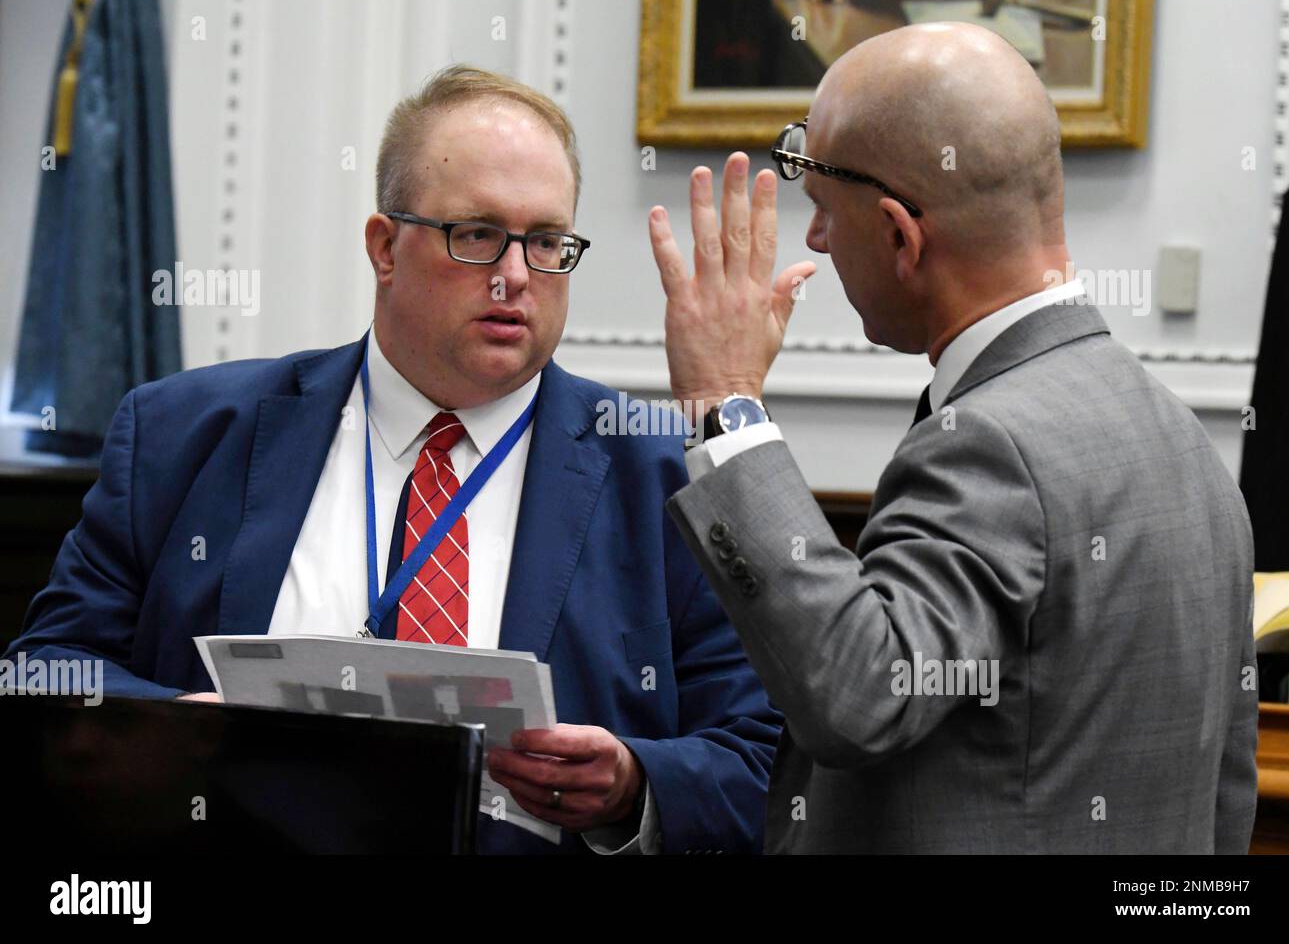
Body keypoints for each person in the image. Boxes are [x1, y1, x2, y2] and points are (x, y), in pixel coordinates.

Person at [8, 65, 780, 855]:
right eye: (477, 234)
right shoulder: (182, 435)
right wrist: (171, 721)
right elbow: (46, 669)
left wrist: (631, 785)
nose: (516, 275)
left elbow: (763, 762)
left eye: (547, 241)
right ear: (384, 247)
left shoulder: (661, 477)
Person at [648, 23, 1258, 853]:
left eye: (824, 213)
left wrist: (725, 406)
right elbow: (1226, 796)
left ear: (902, 235)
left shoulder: (990, 442)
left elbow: (862, 693)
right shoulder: (1185, 438)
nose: (817, 242)